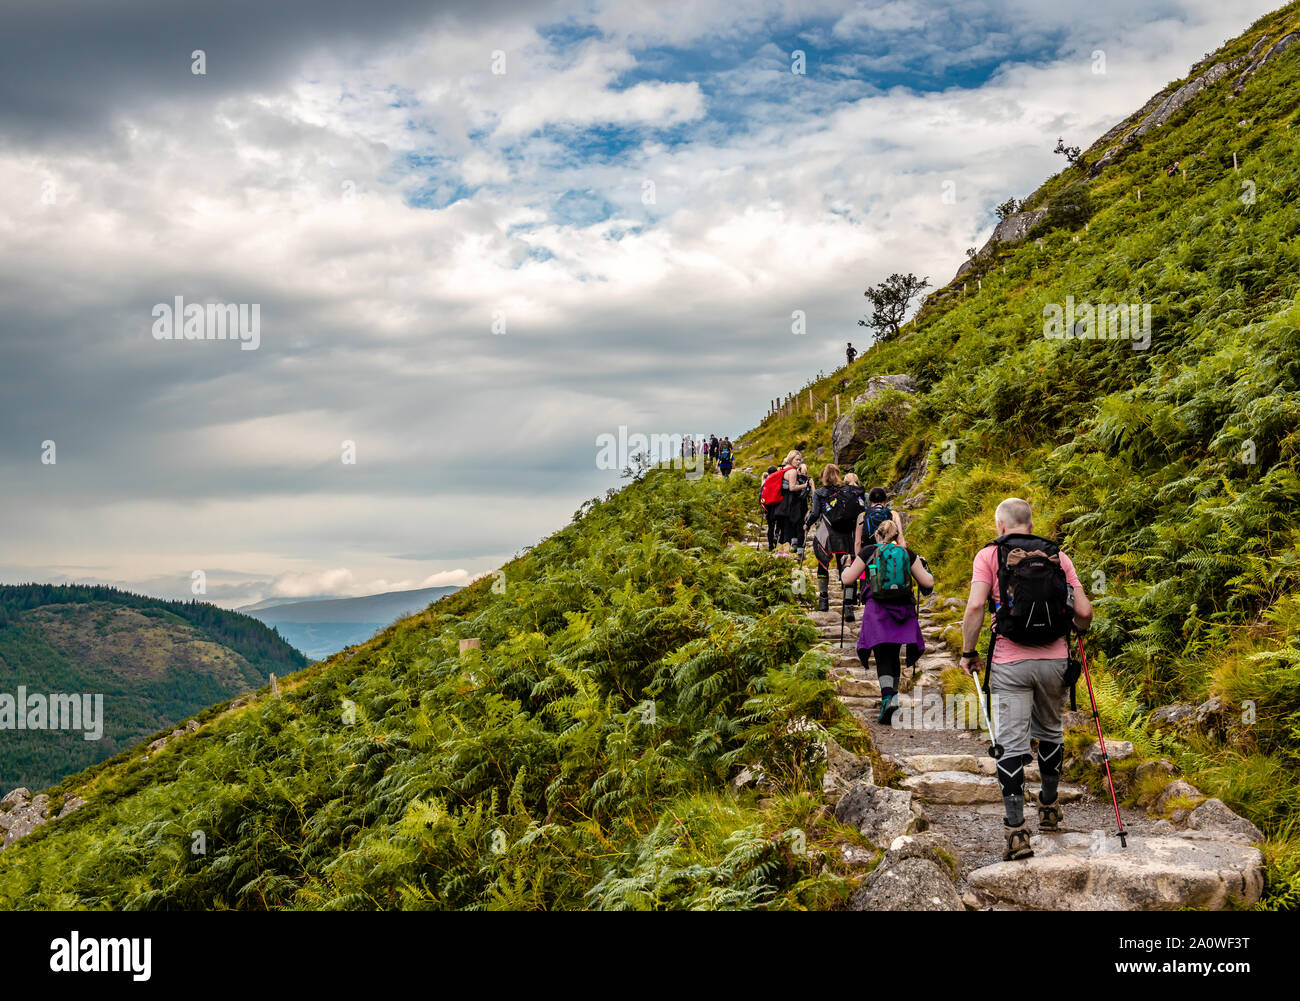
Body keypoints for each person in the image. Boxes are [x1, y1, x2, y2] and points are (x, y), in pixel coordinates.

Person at [958, 497, 1092, 862]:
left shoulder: (989, 555)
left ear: (1000, 525)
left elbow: (975, 607)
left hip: (1010, 661)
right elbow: (1083, 611)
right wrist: (1076, 631)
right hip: (1055, 662)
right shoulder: (1058, 557)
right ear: (1031, 525)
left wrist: (969, 652)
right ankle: (1049, 807)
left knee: (1012, 743)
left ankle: (1017, 832)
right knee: (1050, 731)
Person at [841, 519, 933, 724]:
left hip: (878, 608)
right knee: (893, 652)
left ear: (877, 535)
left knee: (882, 653)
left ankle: (887, 698)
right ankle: (893, 698)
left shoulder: (868, 551)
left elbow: (848, 579)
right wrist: (927, 568)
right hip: (902, 608)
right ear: (897, 535)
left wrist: (845, 566)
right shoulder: (907, 553)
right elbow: (927, 582)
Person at [806, 463, 858, 613]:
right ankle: (848, 604)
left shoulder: (819, 493)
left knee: (823, 565)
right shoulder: (847, 490)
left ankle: (823, 599)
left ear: (823, 476)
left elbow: (815, 513)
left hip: (827, 533)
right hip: (846, 533)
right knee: (846, 566)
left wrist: (807, 524)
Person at [773, 450, 809, 553]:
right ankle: (785, 555)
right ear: (791, 459)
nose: (798, 462)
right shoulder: (792, 471)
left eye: (800, 460)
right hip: (789, 504)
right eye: (796, 459)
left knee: (783, 530)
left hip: (781, 503)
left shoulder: (783, 468)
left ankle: (780, 553)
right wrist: (804, 485)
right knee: (788, 530)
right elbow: (792, 488)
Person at [759, 465, 780, 550]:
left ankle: (771, 546)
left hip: (769, 508)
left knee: (770, 527)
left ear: (768, 473)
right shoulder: (779, 481)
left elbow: (761, 496)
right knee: (779, 524)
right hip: (778, 506)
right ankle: (777, 534)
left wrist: (764, 510)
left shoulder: (766, 482)